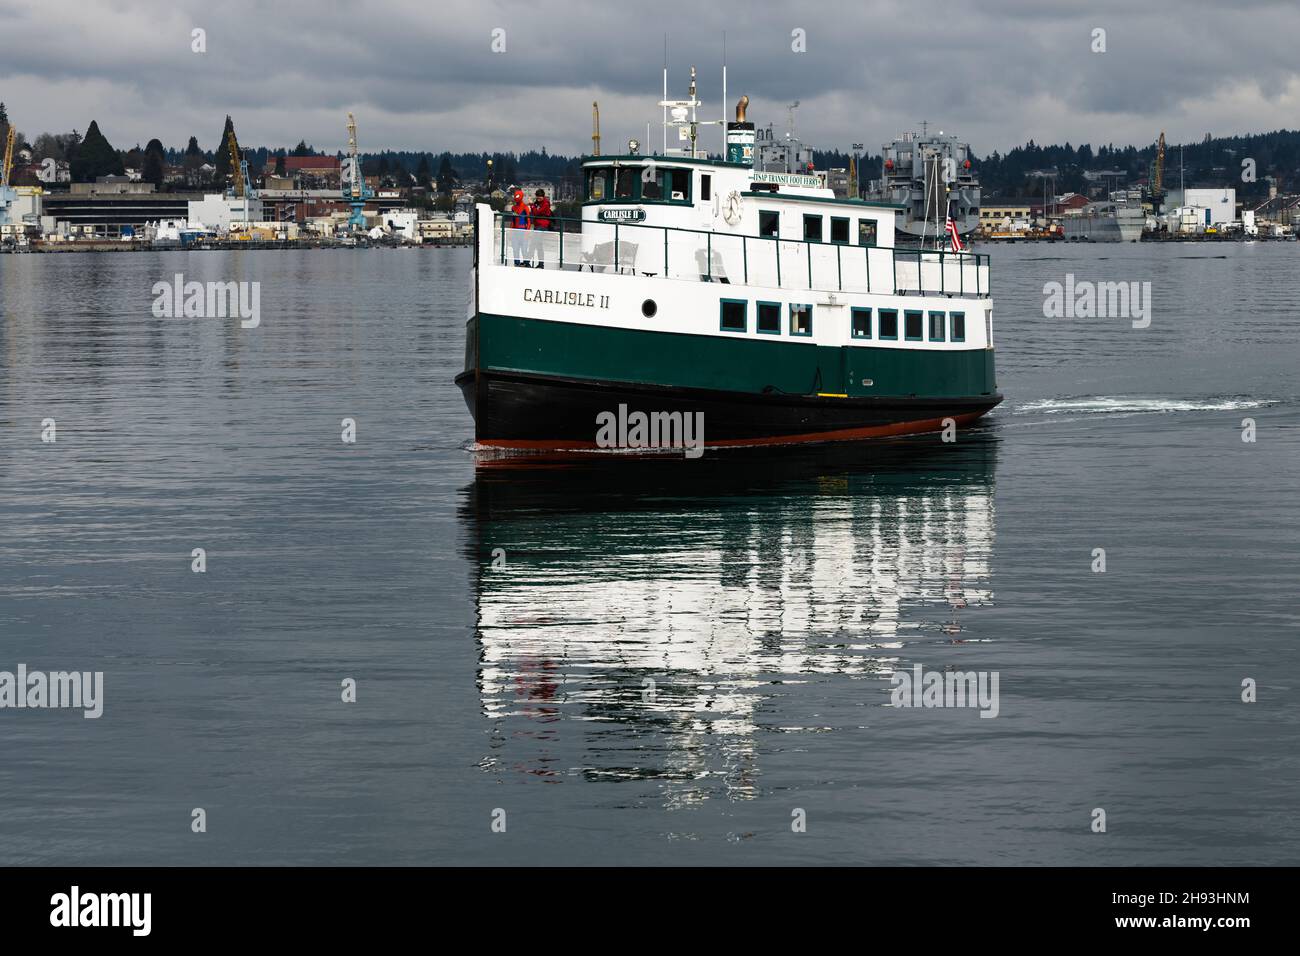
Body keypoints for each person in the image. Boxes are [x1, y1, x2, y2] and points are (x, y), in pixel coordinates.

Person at [528, 189, 553, 269]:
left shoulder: (546, 203)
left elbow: (536, 212)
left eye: (540, 197)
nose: (538, 198)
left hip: (542, 226)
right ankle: (541, 264)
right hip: (537, 226)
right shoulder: (537, 203)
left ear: (543, 196)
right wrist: (533, 205)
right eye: (537, 196)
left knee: (533, 244)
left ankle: (527, 262)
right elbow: (534, 212)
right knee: (538, 245)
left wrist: (531, 205)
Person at [509, 189, 531, 267]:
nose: (516, 198)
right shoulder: (513, 208)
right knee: (515, 249)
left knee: (524, 249)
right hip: (515, 231)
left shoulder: (525, 207)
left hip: (523, 231)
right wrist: (511, 232)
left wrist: (527, 232)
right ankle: (516, 263)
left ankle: (526, 263)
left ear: (521, 197)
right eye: (515, 197)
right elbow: (513, 221)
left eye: (517, 196)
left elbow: (528, 221)